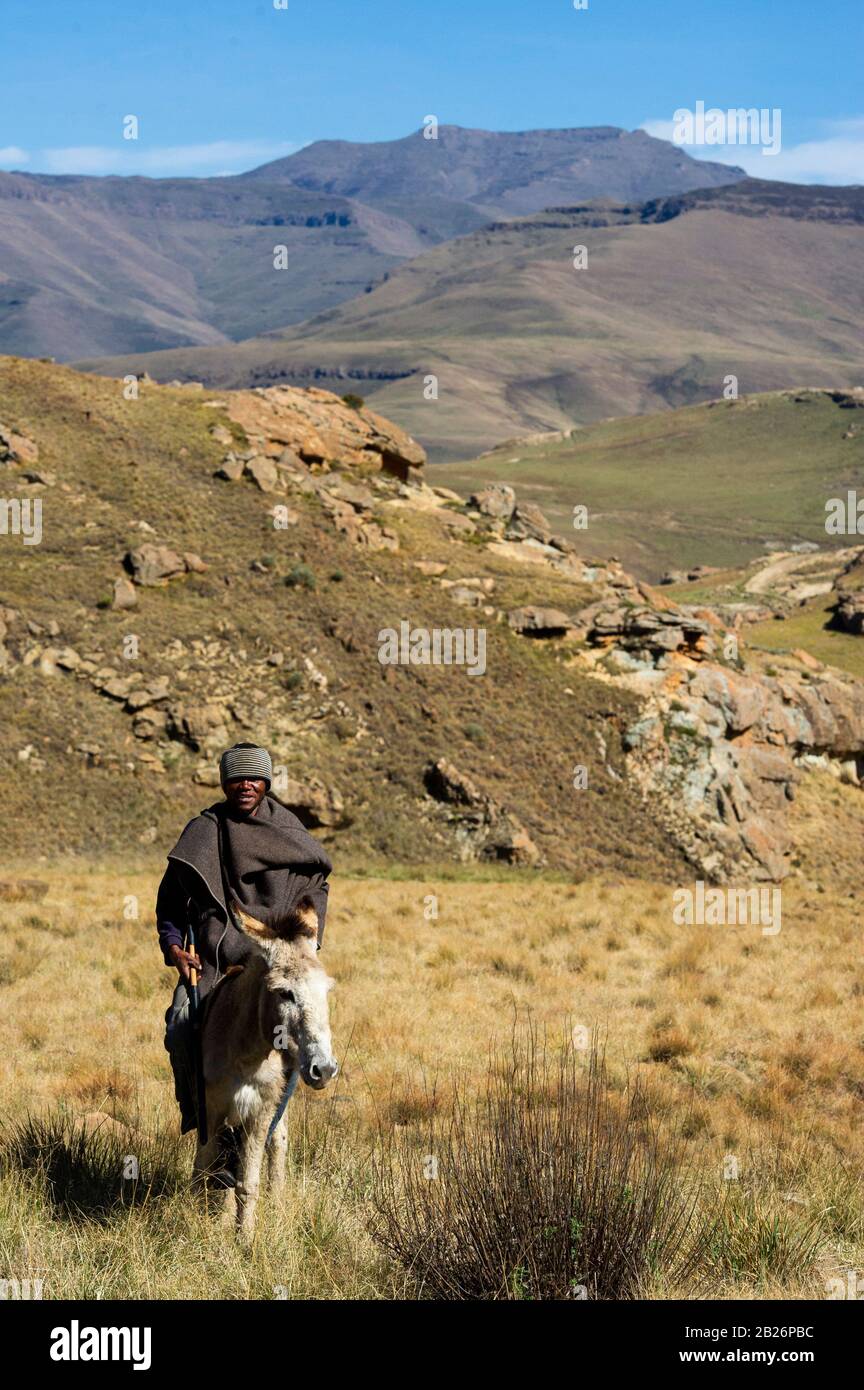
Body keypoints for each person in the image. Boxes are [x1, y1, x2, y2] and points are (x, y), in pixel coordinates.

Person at [156, 743, 332, 1182]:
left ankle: (262, 1129)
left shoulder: (290, 834)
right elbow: (170, 904)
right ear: (224, 782)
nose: (246, 785)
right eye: (237, 778)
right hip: (214, 961)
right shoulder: (204, 831)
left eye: (255, 778)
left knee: (292, 1037)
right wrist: (175, 946)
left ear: (267, 783)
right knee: (181, 1025)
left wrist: (305, 945)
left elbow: (317, 891)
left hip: (276, 962)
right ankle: (206, 1119)